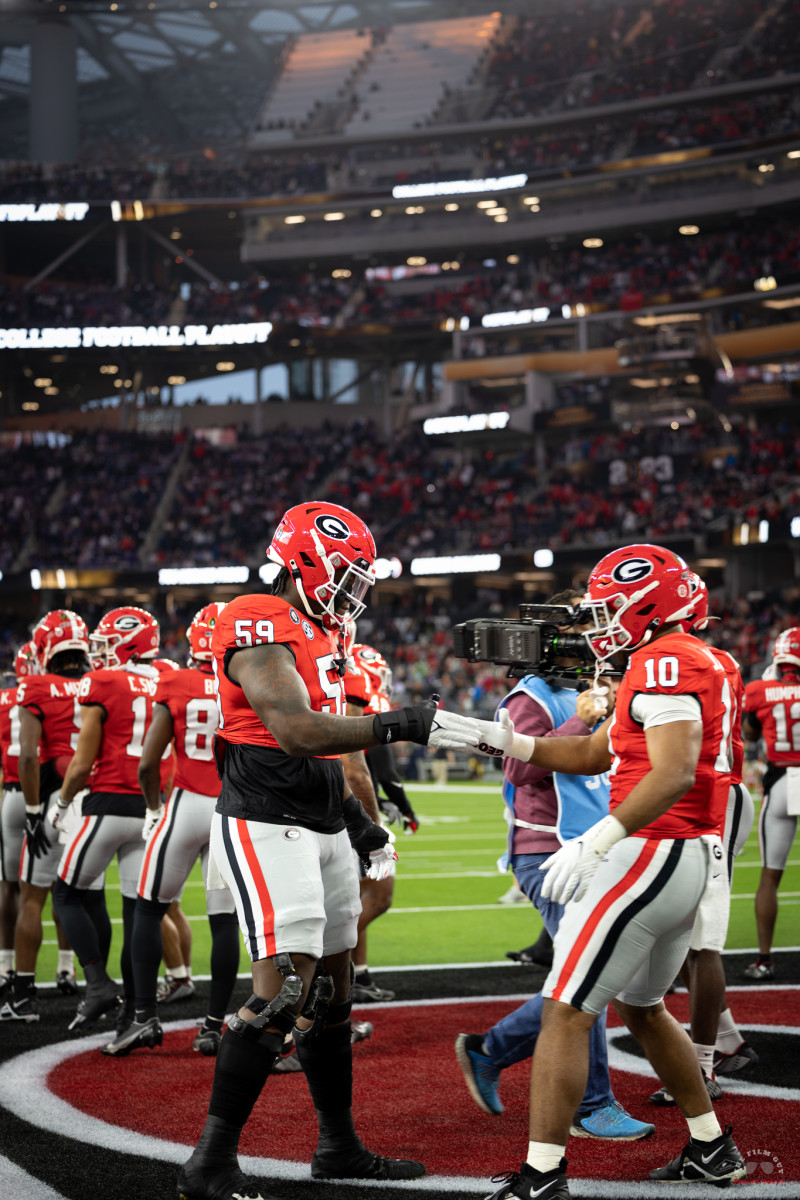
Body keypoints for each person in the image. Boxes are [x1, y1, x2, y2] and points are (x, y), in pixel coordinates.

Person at [438, 545, 746, 1195]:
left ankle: (541, 1175)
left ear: (647, 606)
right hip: (685, 855)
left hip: (651, 852)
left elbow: (674, 772)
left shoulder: (664, 660)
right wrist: (500, 738)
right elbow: (589, 752)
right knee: (642, 1007)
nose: (598, 626)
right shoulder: (687, 658)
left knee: (566, 1010)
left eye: (609, 610)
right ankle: (711, 1145)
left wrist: (599, 840)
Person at [177, 500, 463, 1200]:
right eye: (347, 576)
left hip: (323, 821)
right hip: (266, 820)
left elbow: (327, 752)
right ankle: (210, 1163)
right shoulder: (257, 615)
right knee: (285, 992)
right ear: (304, 563)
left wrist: (359, 821)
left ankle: (338, 1146)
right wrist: (401, 723)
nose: (354, 592)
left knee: (332, 993)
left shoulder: (324, 630)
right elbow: (297, 731)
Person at [455, 589, 654, 1142]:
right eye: (588, 630)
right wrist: (580, 722)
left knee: (590, 973)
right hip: (548, 851)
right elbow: (518, 770)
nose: (601, 639)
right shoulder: (530, 696)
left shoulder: (598, 687)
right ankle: (591, 1104)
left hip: (590, 848)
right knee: (590, 975)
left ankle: (491, 1050)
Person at [102, 602, 241, 1058]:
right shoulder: (248, 683)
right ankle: (214, 1025)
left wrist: (152, 807)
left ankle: (144, 1016)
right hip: (230, 810)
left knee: (147, 909)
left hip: (183, 805)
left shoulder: (176, 681)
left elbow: (148, 764)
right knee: (224, 922)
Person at [649, 574, 756, 1104]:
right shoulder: (705, 658)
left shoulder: (688, 661)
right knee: (678, 931)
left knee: (701, 938)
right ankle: (729, 1039)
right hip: (693, 796)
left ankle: (704, 1063)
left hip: (714, 796)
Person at [52, 605, 161, 1031]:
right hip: (150, 807)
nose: (98, 652)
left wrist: (62, 803)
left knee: (66, 893)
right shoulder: (166, 679)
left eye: (107, 643)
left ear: (128, 642)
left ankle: (97, 983)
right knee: (136, 913)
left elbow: (82, 763)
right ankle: (136, 1010)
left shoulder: (102, 682)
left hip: (110, 801)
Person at [5, 612, 94, 1021]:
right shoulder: (100, 681)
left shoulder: (35, 686)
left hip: (53, 799)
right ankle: (98, 989)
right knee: (86, 901)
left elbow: (27, 757)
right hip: (93, 801)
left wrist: (32, 810)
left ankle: (22, 996)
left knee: (32, 898)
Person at [341, 639, 398, 1005]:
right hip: (348, 811)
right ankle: (335, 965)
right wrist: (375, 828)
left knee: (355, 900)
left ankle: (357, 974)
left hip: (331, 807)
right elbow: (359, 767)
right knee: (378, 895)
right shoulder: (354, 688)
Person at [741, 625, 800, 981]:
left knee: (770, 875)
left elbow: (750, 734)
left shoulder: (759, 690)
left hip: (781, 782)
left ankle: (764, 960)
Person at [0, 642, 39, 1000]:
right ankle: (66, 967)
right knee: (58, 891)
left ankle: (5, 965)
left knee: (9, 885)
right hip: (49, 795)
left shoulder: (5, 699)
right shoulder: (64, 692)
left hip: (13, 793)